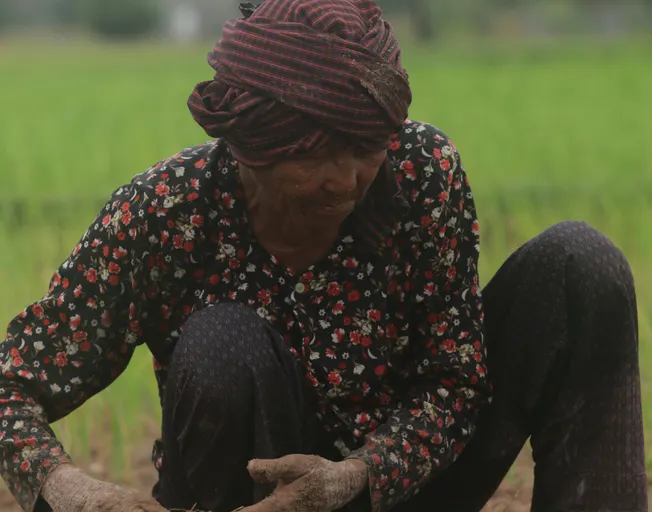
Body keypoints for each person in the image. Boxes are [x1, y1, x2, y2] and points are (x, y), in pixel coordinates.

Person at [0, 1, 647, 511]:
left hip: (396, 487)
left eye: (364, 149)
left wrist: (357, 476)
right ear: (249, 148)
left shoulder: (420, 173)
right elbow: (11, 387)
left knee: (579, 264)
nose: (343, 180)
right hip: (242, 496)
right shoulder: (165, 214)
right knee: (222, 338)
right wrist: (66, 487)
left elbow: (455, 381)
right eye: (311, 156)